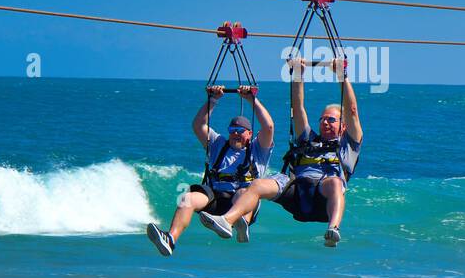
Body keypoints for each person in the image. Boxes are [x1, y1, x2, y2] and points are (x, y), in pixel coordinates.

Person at [202, 57, 362, 247]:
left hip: (322, 197)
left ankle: (333, 229)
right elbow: (298, 107)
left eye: (331, 120)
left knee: (335, 182)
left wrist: (341, 76)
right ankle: (227, 221)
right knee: (258, 184)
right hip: (296, 193)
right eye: (322, 119)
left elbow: (352, 110)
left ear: (343, 126)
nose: (325, 123)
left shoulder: (348, 146)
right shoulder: (307, 139)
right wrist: (297, 72)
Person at [146, 84, 274, 256]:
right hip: (215, 197)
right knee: (187, 198)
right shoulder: (217, 144)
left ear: (250, 134)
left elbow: (268, 127)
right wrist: (213, 99)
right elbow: (199, 125)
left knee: (244, 193)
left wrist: (252, 100)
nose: (235, 134)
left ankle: (240, 223)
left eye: (240, 131)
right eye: (232, 130)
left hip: (241, 200)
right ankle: (170, 239)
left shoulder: (259, 149)